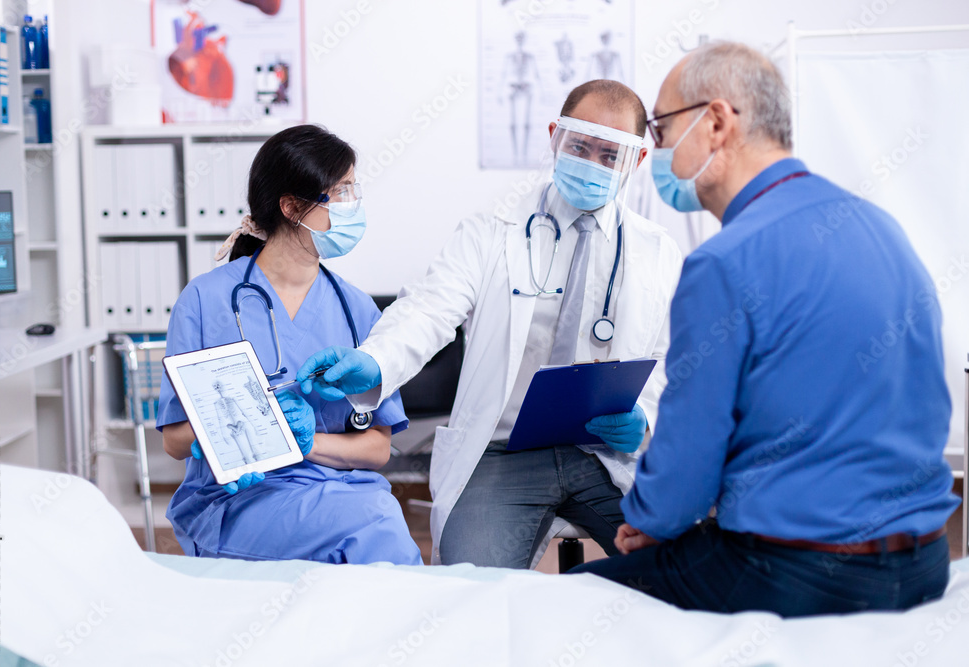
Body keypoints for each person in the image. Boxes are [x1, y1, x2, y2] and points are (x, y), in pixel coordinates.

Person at [568, 42, 958, 616]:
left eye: (662, 127)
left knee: (573, 601)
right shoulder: (881, 227)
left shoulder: (726, 262)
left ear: (718, 122)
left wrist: (651, 519)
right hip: (924, 563)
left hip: (800, 573)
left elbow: (686, 463)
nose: (658, 150)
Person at [300, 80, 684, 568]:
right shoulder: (491, 231)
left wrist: (645, 416)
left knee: (681, 567)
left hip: (607, 456)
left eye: (610, 155)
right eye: (581, 147)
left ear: (637, 161)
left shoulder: (657, 251)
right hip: (500, 452)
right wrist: (374, 361)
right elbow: (428, 309)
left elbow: (674, 356)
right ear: (554, 136)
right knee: (469, 586)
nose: (592, 165)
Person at [157, 125, 422, 565]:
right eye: (339, 192)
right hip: (241, 498)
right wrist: (228, 431)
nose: (351, 204)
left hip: (348, 493)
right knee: (376, 535)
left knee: (372, 526)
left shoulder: (356, 308)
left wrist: (304, 443)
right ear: (293, 207)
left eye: (354, 189)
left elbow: (377, 447)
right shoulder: (205, 300)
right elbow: (174, 441)